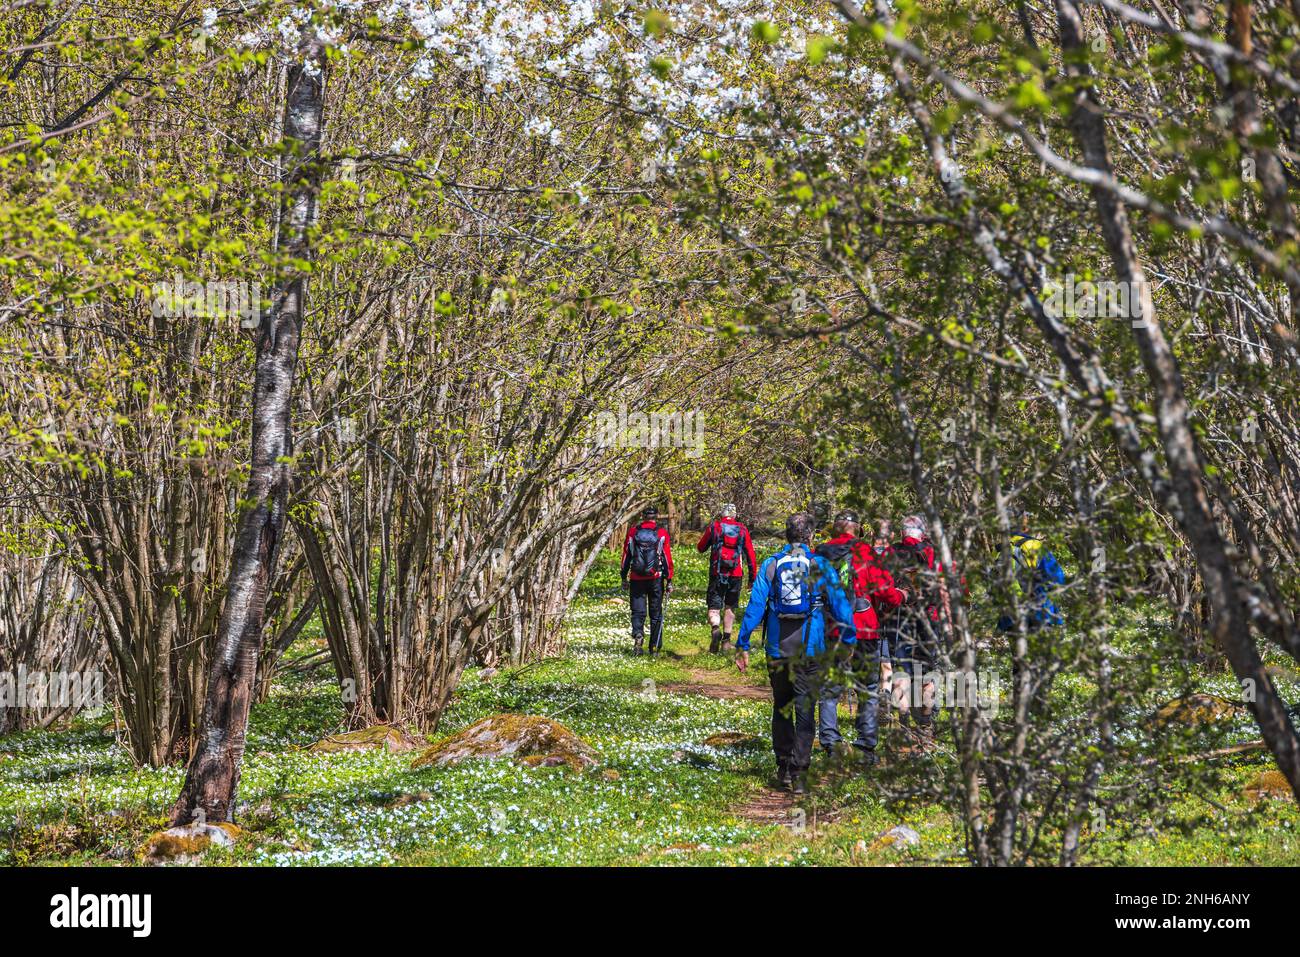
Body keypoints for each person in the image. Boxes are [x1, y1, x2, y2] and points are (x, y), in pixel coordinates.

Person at [735, 511, 857, 794]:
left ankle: (783, 766)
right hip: (810, 650)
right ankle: (800, 772)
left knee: (781, 707)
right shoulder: (821, 565)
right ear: (811, 536)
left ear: (786, 535)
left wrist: (742, 644)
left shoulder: (771, 565)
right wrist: (848, 640)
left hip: (777, 650)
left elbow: (755, 608)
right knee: (805, 710)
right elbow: (841, 606)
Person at [813, 511, 906, 766]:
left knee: (830, 690)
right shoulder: (865, 553)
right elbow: (887, 592)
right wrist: (903, 596)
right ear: (857, 530)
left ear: (835, 529)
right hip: (865, 628)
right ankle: (865, 747)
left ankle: (831, 744)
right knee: (867, 690)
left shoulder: (820, 553)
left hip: (832, 630)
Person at [881, 513, 949, 750]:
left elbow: (883, 586)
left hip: (900, 619)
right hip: (929, 621)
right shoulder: (935, 553)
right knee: (928, 674)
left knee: (901, 673)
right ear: (924, 532)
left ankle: (904, 727)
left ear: (902, 533)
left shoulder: (892, 553)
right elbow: (945, 587)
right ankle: (926, 727)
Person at [696, 502, 757, 653]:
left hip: (717, 573)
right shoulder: (742, 529)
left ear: (722, 514)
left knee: (714, 607)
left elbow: (700, 547)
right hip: (735, 574)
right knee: (730, 607)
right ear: (735, 514)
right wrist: (752, 578)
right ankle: (726, 641)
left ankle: (716, 629)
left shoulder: (714, 527)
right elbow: (750, 554)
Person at [996, 513, 1066, 633]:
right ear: (1025, 528)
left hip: (1010, 619)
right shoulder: (1033, 545)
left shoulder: (998, 551)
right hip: (1038, 613)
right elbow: (1057, 577)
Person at [621, 506, 674, 656]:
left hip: (636, 578)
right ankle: (655, 646)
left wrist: (623, 576)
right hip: (655, 578)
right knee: (656, 612)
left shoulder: (633, 532)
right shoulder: (661, 533)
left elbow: (627, 555)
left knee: (638, 611)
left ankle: (638, 636)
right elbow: (666, 557)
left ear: (643, 516)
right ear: (656, 516)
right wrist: (669, 579)